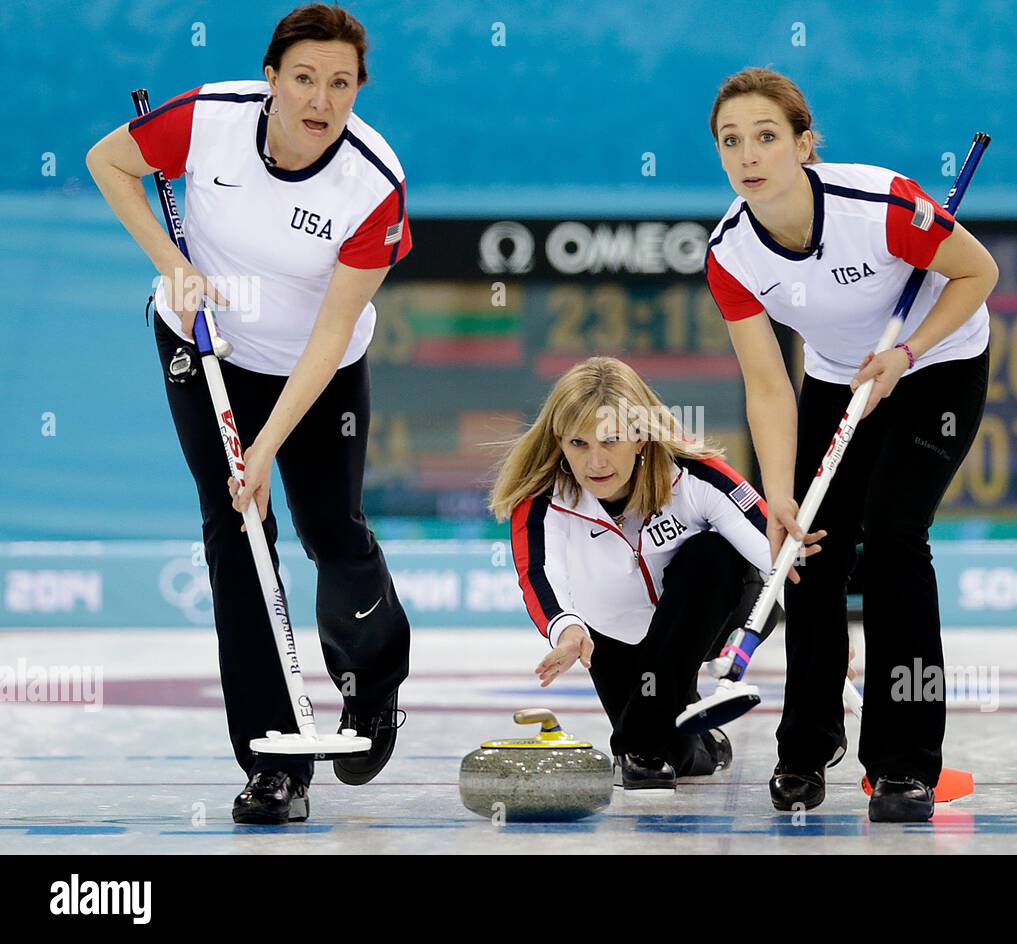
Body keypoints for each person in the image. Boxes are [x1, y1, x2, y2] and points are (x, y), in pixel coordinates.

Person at [85, 3, 413, 824]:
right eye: (303, 77)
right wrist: (172, 264)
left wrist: (264, 447)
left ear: (357, 91)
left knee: (331, 532)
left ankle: (370, 687)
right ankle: (273, 759)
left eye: (341, 83)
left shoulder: (374, 184)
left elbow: (333, 330)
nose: (320, 99)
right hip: (201, 343)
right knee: (235, 533)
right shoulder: (209, 120)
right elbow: (107, 161)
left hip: (316, 370)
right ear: (271, 79)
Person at [705, 67, 997, 822]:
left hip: (938, 364)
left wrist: (906, 354)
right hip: (836, 378)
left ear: (805, 145)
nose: (748, 155)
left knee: (897, 536)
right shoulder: (731, 252)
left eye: (766, 136)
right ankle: (805, 749)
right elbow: (768, 384)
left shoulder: (883, 206)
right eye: (731, 141)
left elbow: (978, 271)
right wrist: (780, 495)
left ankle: (904, 764)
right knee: (811, 553)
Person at [489, 357, 817, 790]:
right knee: (668, 759)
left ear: (640, 437)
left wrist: (821, 630)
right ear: (559, 442)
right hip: (611, 634)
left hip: (713, 617)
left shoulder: (694, 472)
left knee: (712, 553)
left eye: (611, 440)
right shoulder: (541, 500)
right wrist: (566, 629)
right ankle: (702, 739)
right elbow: (539, 575)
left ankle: (646, 731)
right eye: (579, 443)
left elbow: (778, 550)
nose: (596, 461)